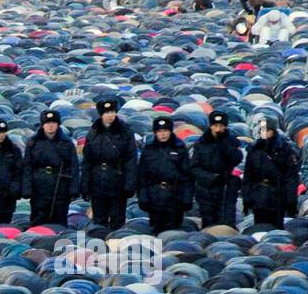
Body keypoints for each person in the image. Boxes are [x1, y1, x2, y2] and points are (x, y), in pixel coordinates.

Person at [81, 97, 138, 229]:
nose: (110, 115)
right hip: (97, 181)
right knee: (99, 220)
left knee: (117, 219)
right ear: (101, 115)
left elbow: (131, 160)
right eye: (107, 113)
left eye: (112, 112)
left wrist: (130, 184)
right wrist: (85, 185)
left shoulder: (125, 132)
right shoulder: (93, 133)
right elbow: (87, 161)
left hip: (118, 180)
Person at [136, 116, 193, 235]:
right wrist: (143, 197)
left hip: (175, 196)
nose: (163, 134)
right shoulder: (149, 150)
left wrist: (187, 198)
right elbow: (142, 176)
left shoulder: (180, 148)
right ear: (155, 133)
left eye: (166, 131)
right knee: (156, 230)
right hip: (154, 196)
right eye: (160, 131)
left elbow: (187, 176)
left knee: (173, 231)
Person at [21, 110, 78, 226]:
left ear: (58, 124)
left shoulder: (66, 143)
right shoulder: (33, 142)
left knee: (60, 219)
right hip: (39, 185)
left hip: (60, 184)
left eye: (53, 122)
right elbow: (27, 166)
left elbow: (74, 166)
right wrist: (27, 189)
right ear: (42, 125)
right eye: (47, 123)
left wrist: (73, 189)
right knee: (38, 219)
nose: (51, 125)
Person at [243, 117, 299, 228]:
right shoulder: (254, 149)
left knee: (277, 225)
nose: (265, 133)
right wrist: (247, 198)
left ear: (273, 131)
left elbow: (291, 176)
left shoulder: (284, 149)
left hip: (278, 194)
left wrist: (291, 199)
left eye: (268, 130)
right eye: (263, 130)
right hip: (259, 194)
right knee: (260, 226)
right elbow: (248, 176)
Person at [191, 111, 243, 229]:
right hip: (207, 188)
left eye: (221, 126)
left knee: (227, 221)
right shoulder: (201, 143)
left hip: (226, 186)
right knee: (208, 222)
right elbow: (194, 167)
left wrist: (225, 146)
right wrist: (211, 178)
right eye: (215, 126)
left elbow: (236, 159)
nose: (218, 129)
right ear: (211, 126)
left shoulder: (231, 141)